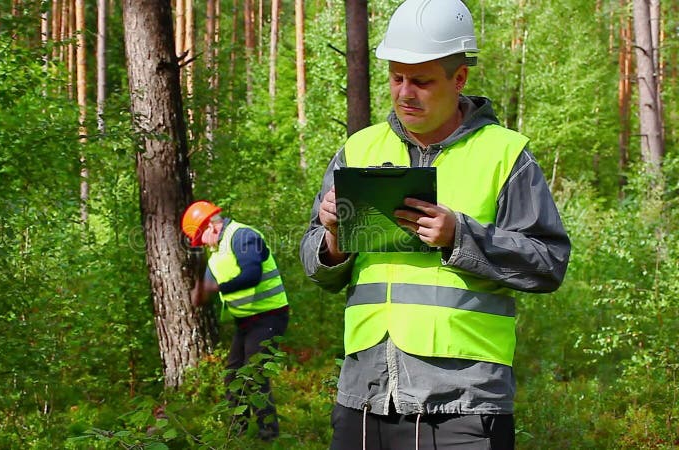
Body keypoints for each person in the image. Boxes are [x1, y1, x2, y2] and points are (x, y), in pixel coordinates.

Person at [299, 0, 571, 449]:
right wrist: (332, 237)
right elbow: (317, 266)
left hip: (464, 404)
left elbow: (548, 263)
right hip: (365, 397)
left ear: (459, 79)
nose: (405, 92)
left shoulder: (505, 155)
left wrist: (459, 236)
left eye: (422, 81)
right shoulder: (358, 149)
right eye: (397, 78)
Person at [181, 200, 289, 441]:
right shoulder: (216, 252)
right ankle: (236, 434)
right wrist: (200, 292)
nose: (202, 245)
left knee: (254, 375)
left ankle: (268, 437)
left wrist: (216, 286)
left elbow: (252, 274)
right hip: (247, 323)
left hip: (269, 317)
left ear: (212, 226)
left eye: (201, 238)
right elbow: (206, 289)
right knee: (233, 376)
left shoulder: (243, 237)